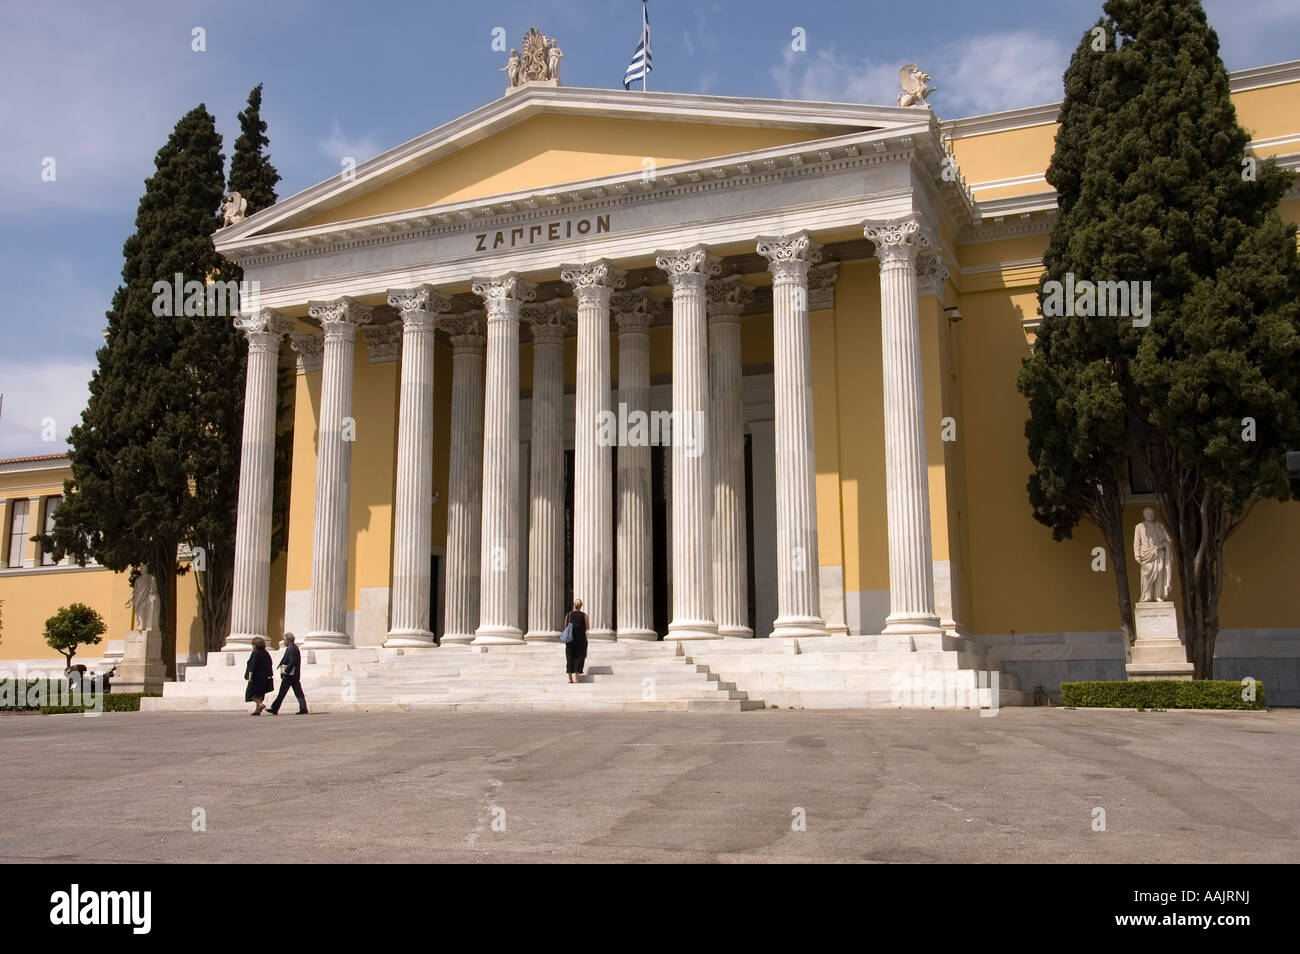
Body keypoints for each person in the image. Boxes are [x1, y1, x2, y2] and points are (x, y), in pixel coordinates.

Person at [266, 633, 308, 715]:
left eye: (284, 639)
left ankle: (274, 708)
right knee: (298, 692)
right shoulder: (292, 648)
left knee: (282, 692)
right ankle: (303, 708)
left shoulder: (292, 648)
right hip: (292, 676)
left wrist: (286, 671)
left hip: (289, 676)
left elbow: (292, 661)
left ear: (288, 640)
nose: (283, 641)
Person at [244, 636, 274, 715]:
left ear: (255, 645)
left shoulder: (256, 652)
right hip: (264, 678)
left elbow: (253, 664)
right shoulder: (266, 653)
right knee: (260, 694)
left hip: (256, 677)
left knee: (250, 693)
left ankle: (260, 705)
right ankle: (258, 711)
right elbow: (270, 664)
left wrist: (250, 675)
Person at [564, 599, 589, 684]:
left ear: (574, 605)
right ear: (581, 606)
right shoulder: (584, 615)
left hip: (570, 639)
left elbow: (565, 626)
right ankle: (577, 678)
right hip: (581, 639)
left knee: (569, 657)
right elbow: (587, 627)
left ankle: (570, 679)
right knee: (579, 657)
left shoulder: (569, 614)